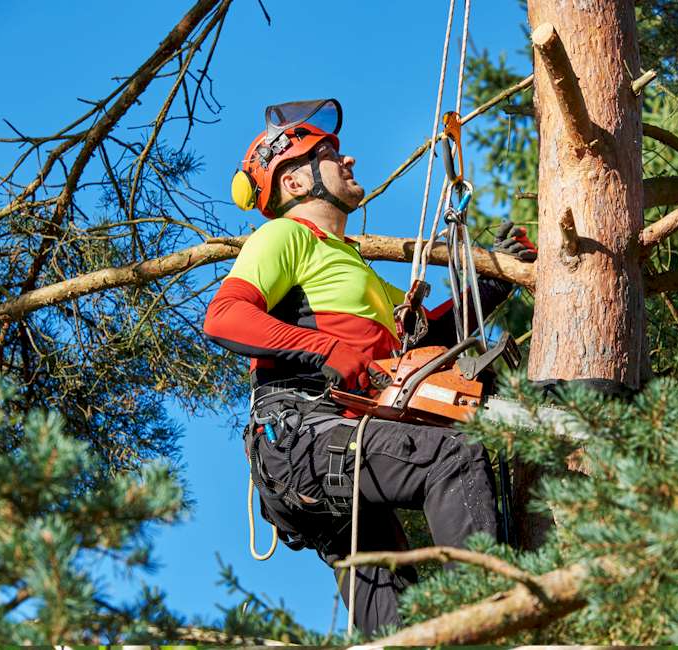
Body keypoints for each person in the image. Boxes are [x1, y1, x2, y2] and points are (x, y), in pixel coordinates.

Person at [203, 99, 536, 635]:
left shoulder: (354, 268)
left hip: (336, 447)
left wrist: (493, 282)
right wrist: (324, 350)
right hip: (302, 433)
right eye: (330, 154)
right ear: (293, 183)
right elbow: (224, 316)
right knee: (450, 459)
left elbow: (427, 340)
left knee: (397, 623)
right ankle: (494, 620)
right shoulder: (288, 236)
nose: (349, 159)